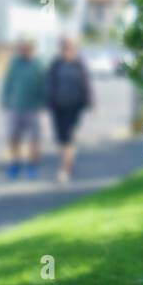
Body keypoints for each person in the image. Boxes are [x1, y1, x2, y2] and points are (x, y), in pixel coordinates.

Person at [45, 37, 93, 185]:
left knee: (68, 138)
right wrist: (48, 101)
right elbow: (49, 83)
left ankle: (65, 169)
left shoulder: (79, 65)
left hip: (73, 107)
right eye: (65, 48)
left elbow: (85, 85)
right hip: (57, 107)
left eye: (70, 48)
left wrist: (89, 102)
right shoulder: (56, 64)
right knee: (60, 139)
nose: (67, 51)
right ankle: (66, 164)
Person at [0, 38, 44, 179]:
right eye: (23, 48)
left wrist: (42, 102)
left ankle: (33, 166)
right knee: (13, 138)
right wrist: (5, 100)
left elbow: (44, 85)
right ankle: (15, 164)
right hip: (15, 107)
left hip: (32, 108)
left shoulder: (38, 64)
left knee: (34, 139)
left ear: (33, 49)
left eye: (28, 48)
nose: (25, 50)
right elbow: (8, 82)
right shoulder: (15, 63)